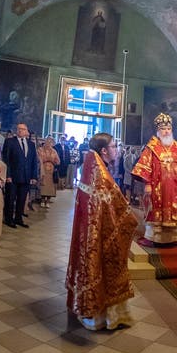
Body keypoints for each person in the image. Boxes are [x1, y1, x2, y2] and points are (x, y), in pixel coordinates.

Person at [66, 132, 138, 331]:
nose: (117, 149)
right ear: (104, 150)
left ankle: (105, 315)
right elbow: (106, 203)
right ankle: (103, 316)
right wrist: (128, 216)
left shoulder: (93, 164)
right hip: (101, 233)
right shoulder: (98, 171)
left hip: (94, 231)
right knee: (106, 267)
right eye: (114, 146)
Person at [132, 113, 177, 243]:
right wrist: (147, 184)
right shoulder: (151, 147)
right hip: (157, 187)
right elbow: (145, 166)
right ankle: (154, 238)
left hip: (176, 187)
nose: (166, 131)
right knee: (155, 210)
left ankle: (176, 237)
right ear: (158, 131)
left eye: (168, 129)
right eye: (163, 129)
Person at [2, 122, 39, 228]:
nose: (20, 131)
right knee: (10, 198)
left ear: (26, 131)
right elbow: (6, 160)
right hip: (13, 176)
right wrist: (8, 175)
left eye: (23, 129)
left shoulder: (31, 144)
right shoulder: (9, 142)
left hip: (26, 177)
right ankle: (8, 219)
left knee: (22, 199)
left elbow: (33, 161)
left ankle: (18, 218)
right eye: (18, 129)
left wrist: (33, 176)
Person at [37, 137, 60, 208]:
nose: (48, 144)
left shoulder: (54, 151)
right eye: (47, 142)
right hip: (42, 170)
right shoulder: (40, 150)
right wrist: (46, 159)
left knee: (50, 186)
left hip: (51, 172)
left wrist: (52, 160)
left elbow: (58, 161)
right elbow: (38, 159)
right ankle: (42, 200)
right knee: (43, 185)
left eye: (50, 142)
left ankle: (48, 200)